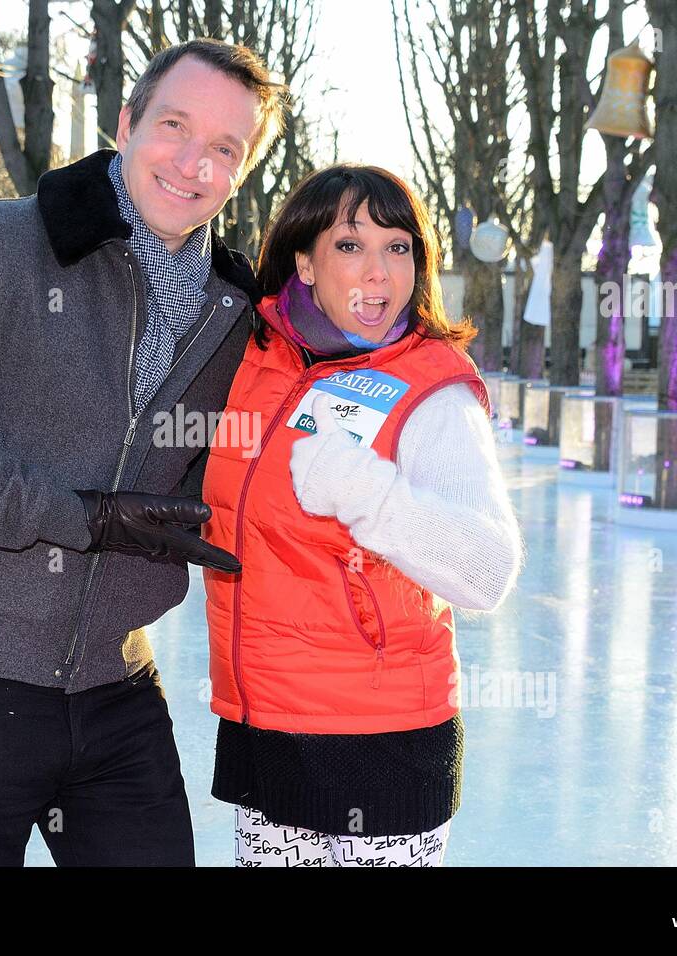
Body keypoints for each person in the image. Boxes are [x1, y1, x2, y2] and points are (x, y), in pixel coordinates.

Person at [0, 38, 287, 866]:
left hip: (117, 688)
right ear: (125, 122)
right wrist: (71, 515)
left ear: (243, 169)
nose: (193, 163)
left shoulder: (235, 309)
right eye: (174, 126)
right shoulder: (0, 243)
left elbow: (238, 469)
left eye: (225, 148)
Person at [200, 164, 524, 867]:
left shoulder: (432, 390)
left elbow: (486, 570)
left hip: (379, 741)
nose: (378, 271)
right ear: (304, 264)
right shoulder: (255, 360)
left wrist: (368, 493)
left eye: (398, 246)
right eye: (350, 246)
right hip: (264, 726)